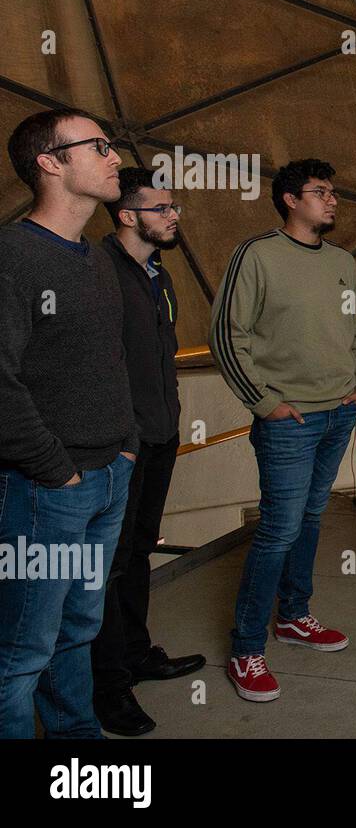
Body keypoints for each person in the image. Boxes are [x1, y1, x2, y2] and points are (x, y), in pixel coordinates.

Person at [209, 159, 356, 703]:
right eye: (320, 192)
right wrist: (266, 404)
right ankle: (245, 648)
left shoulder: (344, 261)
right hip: (290, 421)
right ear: (289, 200)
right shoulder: (257, 255)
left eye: (333, 192)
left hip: (338, 413)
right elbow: (228, 336)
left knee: (310, 518)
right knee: (278, 529)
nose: (332, 201)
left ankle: (294, 617)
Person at [0, 109, 136, 738]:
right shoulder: (12, 255)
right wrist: (57, 473)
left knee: (79, 631)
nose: (115, 157)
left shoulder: (95, 257)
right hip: (44, 490)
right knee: (23, 651)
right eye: (99, 147)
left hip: (108, 478)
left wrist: (128, 445)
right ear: (51, 163)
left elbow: (111, 360)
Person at [91, 167, 203, 736]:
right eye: (161, 208)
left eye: (174, 206)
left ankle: (136, 654)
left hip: (158, 439)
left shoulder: (157, 275)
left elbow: (161, 361)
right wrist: (125, 439)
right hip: (120, 448)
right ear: (127, 215)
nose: (173, 215)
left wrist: (169, 426)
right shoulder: (98, 271)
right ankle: (108, 688)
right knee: (107, 568)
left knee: (136, 553)